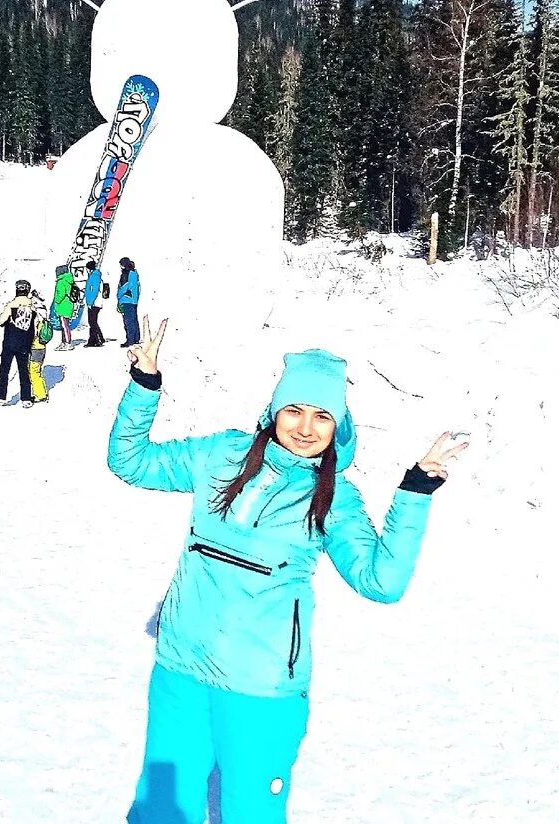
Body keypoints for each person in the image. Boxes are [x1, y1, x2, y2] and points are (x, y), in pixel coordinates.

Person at [108, 321, 468, 823]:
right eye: (295, 409)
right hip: (180, 668)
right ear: (274, 411)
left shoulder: (334, 497)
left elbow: (382, 582)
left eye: (322, 415)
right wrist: (145, 384)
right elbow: (129, 462)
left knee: (251, 814)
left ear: (339, 425)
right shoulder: (222, 454)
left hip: (262, 689)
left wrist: (415, 491)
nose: (305, 427)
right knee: (162, 811)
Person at [0, 280, 36, 407]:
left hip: (10, 342)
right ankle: (26, 398)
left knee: (4, 370)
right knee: (23, 370)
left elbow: (0, 321)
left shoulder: (11, 305)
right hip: (25, 343)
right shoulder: (32, 307)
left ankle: (0, 397)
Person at [28, 291, 52, 403]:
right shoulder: (44, 312)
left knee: (34, 371)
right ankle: (41, 392)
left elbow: (33, 332)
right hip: (41, 346)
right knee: (37, 370)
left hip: (35, 346)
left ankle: (40, 395)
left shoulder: (36, 316)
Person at [117, 256, 140, 348]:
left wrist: (119, 295)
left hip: (127, 299)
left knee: (128, 321)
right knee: (134, 320)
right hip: (133, 299)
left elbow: (124, 287)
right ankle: (135, 338)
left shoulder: (126, 274)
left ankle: (130, 340)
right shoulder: (134, 273)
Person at [83, 259, 105, 347]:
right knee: (92, 321)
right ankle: (94, 339)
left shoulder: (94, 276)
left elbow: (94, 290)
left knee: (92, 322)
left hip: (94, 303)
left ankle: (98, 339)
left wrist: (90, 302)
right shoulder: (94, 275)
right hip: (94, 302)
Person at [53, 264, 75, 350]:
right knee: (64, 325)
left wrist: (57, 300)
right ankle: (64, 342)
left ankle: (67, 343)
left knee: (65, 326)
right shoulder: (69, 280)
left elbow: (60, 294)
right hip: (68, 305)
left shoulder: (61, 281)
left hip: (63, 306)